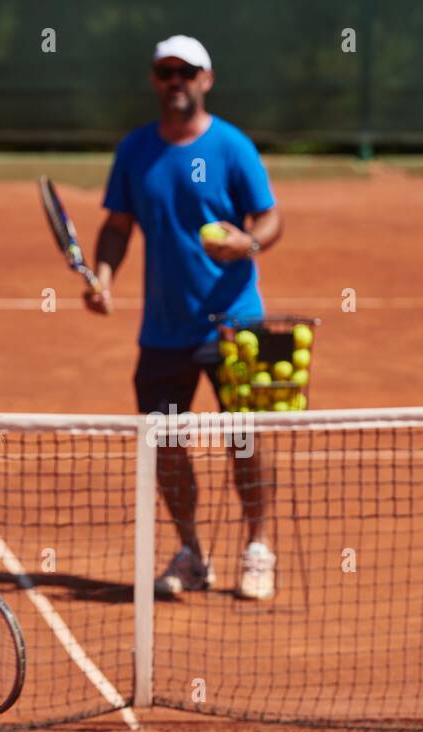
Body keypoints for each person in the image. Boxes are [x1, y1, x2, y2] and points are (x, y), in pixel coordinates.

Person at [84, 34, 284, 600]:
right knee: (167, 443)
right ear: (155, 79)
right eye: (166, 71)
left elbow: (270, 220)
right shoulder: (135, 150)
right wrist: (103, 275)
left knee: (245, 439)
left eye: (186, 72)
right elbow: (118, 225)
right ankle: (192, 554)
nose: (176, 81)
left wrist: (247, 242)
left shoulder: (232, 147)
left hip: (235, 324)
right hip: (164, 331)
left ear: (206, 79)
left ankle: (258, 547)